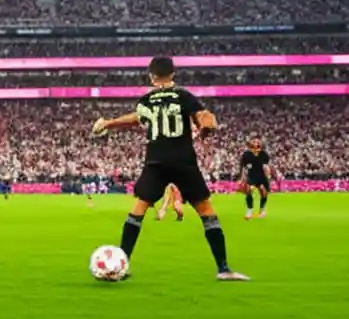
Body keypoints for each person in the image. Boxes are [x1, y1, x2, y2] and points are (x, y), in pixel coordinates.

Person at [92, 57, 248, 282]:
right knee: (205, 209)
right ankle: (223, 269)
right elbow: (204, 117)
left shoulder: (146, 99)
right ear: (173, 74)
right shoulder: (183, 96)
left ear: (151, 76)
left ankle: (119, 265)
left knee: (139, 209)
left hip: (155, 161)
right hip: (183, 160)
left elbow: (136, 119)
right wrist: (206, 126)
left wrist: (109, 122)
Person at [239, 137, 273, 220]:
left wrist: (268, 175)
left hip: (261, 176)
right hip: (251, 176)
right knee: (249, 190)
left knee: (263, 192)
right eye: (254, 141)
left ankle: (262, 210)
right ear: (250, 143)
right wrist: (242, 179)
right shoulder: (246, 155)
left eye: (257, 141)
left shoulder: (264, 154)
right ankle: (249, 210)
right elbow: (244, 168)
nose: (256, 143)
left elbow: (266, 166)